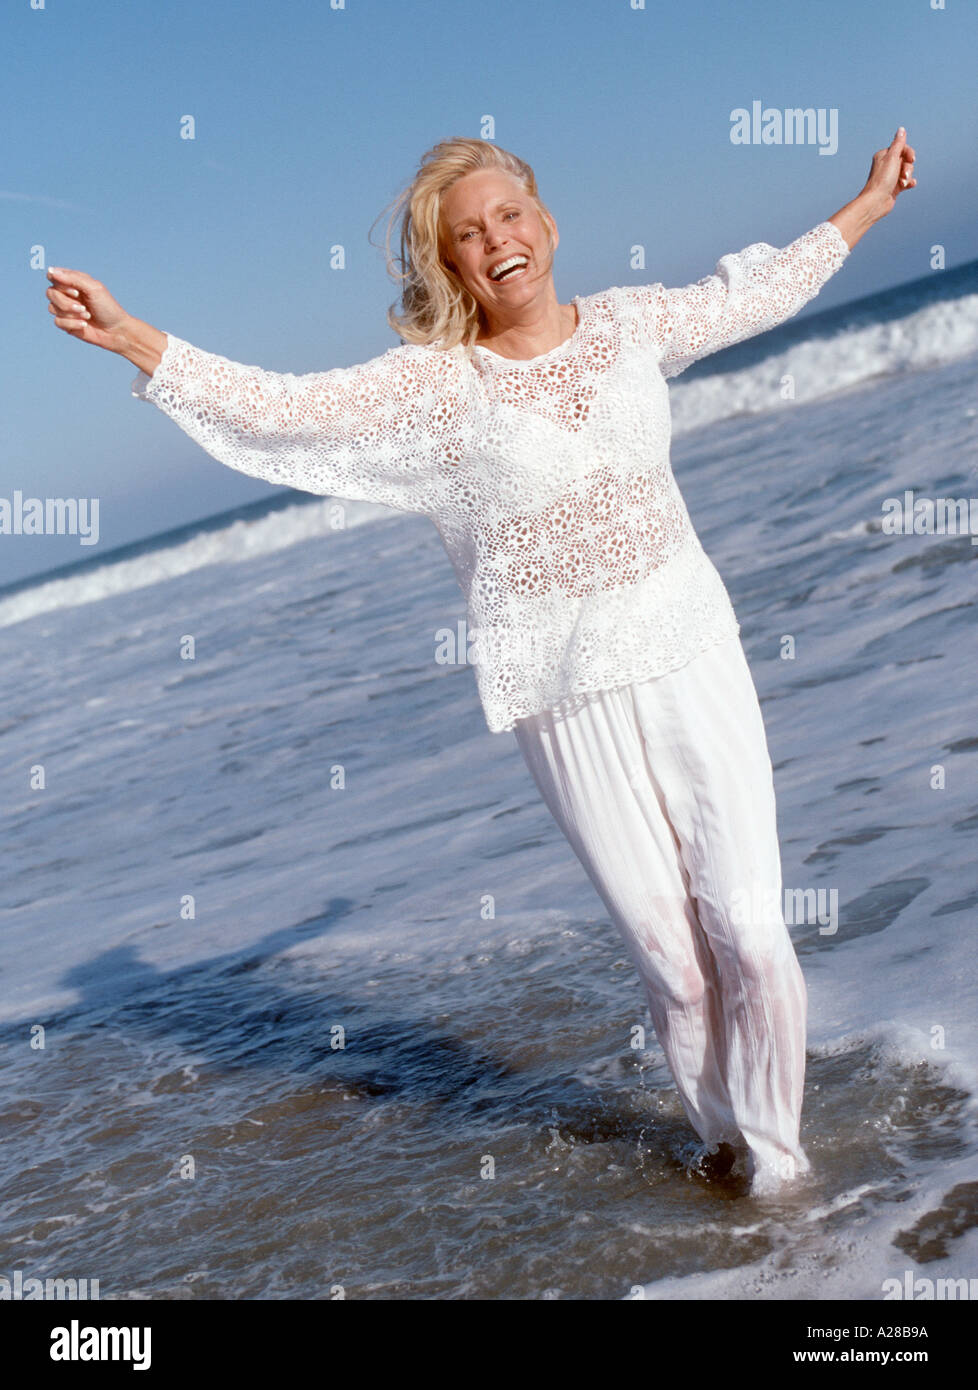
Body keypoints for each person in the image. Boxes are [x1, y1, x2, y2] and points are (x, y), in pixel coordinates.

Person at [45, 131, 916, 1196]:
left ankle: (779, 1174)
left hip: (692, 648)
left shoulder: (634, 325)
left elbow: (758, 289)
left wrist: (870, 203)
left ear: (545, 224)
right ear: (449, 265)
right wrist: (133, 336)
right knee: (679, 971)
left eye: (509, 216)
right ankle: (726, 1141)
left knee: (748, 926)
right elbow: (283, 407)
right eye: (467, 234)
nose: (496, 240)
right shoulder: (437, 391)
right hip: (561, 689)